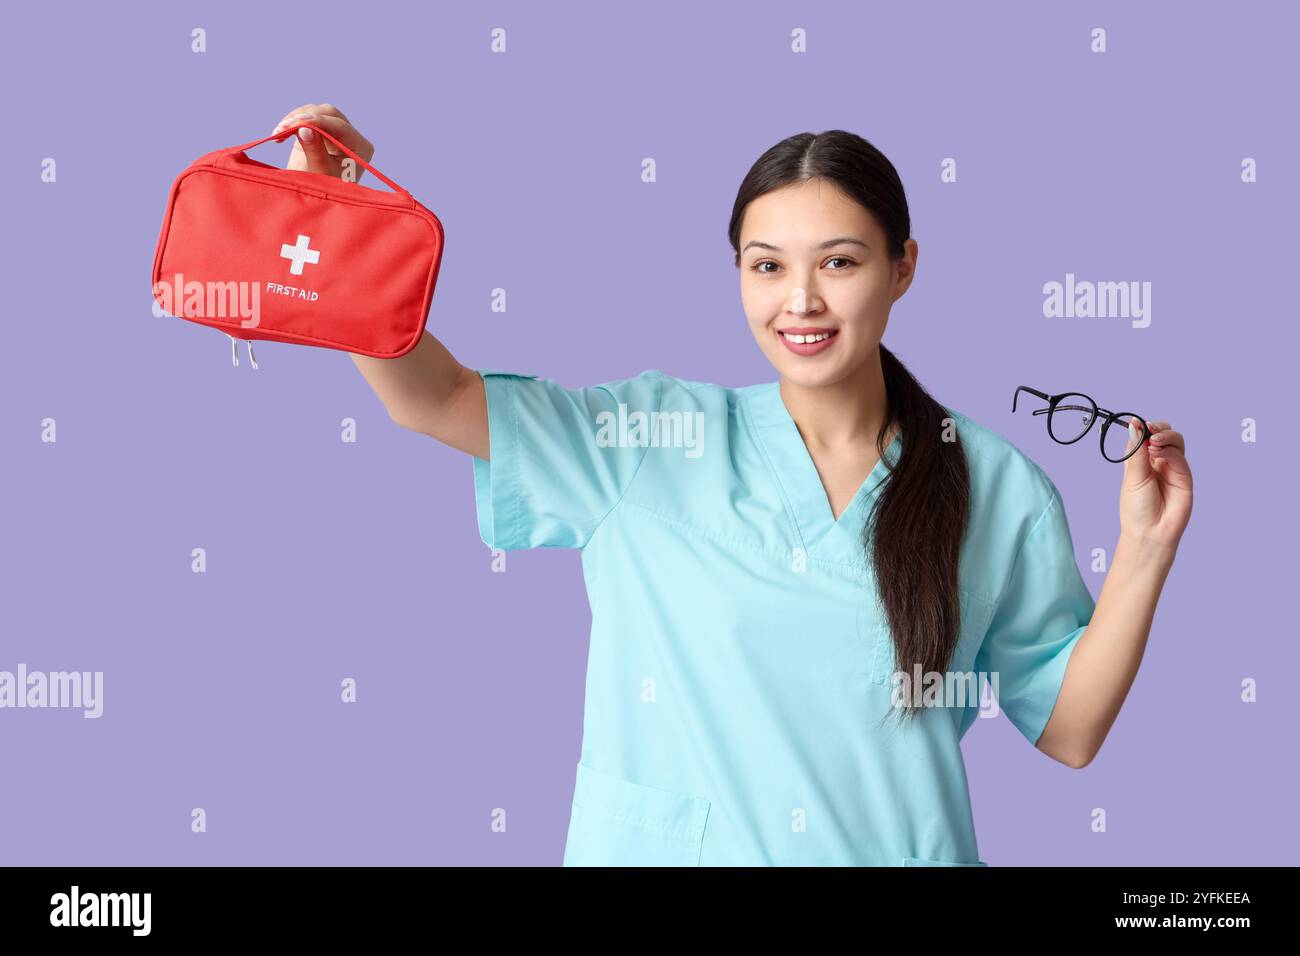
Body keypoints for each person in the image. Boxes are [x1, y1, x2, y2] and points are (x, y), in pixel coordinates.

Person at [270, 104, 1194, 866]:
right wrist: (340, 227)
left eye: (839, 261)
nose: (801, 301)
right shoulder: (646, 441)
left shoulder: (994, 484)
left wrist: (1148, 549)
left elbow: (1069, 729)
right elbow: (433, 398)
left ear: (903, 267)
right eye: (767, 267)